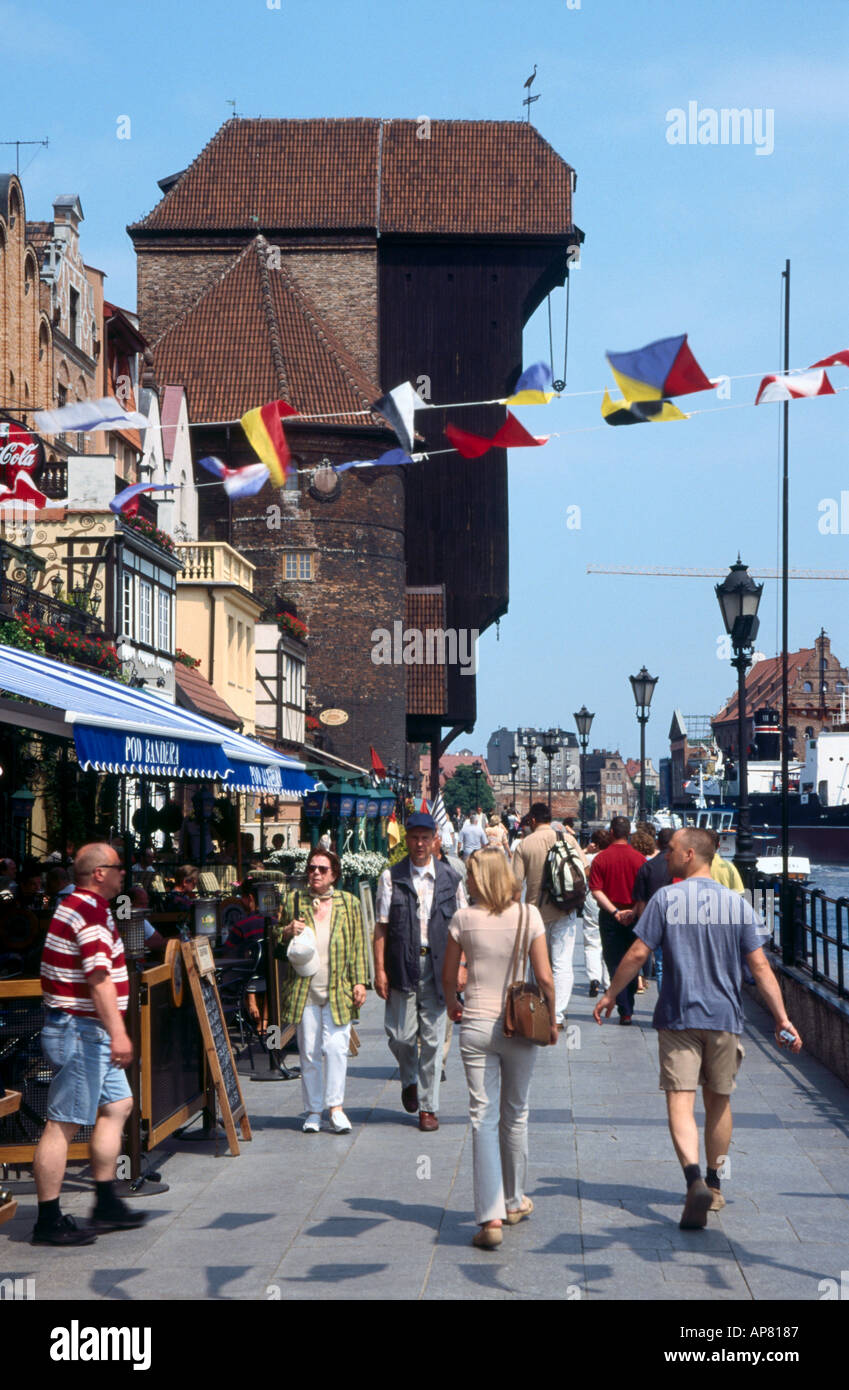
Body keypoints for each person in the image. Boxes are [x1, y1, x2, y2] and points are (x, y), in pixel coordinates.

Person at [594, 827, 802, 1229]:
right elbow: (760, 967)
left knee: (680, 1102)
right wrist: (781, 1018)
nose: (665, 854)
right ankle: (714, 1182)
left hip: (678, 1016)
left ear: (691, 855)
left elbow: (638, 952)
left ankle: (692, 1181)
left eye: (672, 850)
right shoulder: (736, 905)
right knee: (719, 1101)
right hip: (725, 1018)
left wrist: (610, 994)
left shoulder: (665, 900)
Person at [32, 843, 146, 1246]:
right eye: (118, 869)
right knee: (63, 1122)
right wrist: (118, 1032)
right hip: (82, 1029)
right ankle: (48, 1220)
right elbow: (98, 977)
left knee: (118, 1105)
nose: (122, 876)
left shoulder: (73, 905)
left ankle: (105, 1200)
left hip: (83, 1028)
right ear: (99, 873)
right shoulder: (92, 910)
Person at [443, 846, 557, 1248]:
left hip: (475, 1023)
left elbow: (447, 978)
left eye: (471, 874)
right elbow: (544, 977)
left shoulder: (463, 919)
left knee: (482, 1117)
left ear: (482, 878)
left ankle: (489, 1219)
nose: (467, 881)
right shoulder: (529, 916)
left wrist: (453, 1006)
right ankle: (513, 1200)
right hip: (520, 1027)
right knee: (516, 1113)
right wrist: (553, 1019)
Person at [373, 811, 466, 1132]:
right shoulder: (391, 877)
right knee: (399, 1035)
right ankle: (409, 1078)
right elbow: (381, 929)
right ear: (407, 839)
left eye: (426, 838)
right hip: (402, 963)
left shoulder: (450, 878)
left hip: (441, 966)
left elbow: (462, 927)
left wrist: (463, 966)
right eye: (414, 837)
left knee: (433, 1038)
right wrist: (379, 970)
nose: (419, 843)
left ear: (435, 839)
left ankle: (428, 1107)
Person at [276, 847, 368, 1134]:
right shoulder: (294, 900)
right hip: (306, 988)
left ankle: (336, 1108)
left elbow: (358, 943)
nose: (315, 873)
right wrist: (286, 931)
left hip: (338, 988)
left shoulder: (349, 903)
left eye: (322, 869)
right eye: (312, 868)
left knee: (337, 1048)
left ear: (334, 875)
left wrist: (360, 981)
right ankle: (314, 1110)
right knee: (309, 1052)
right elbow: (277, 945)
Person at [512, 802, 584, 1028]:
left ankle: (541, 1009)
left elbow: (515, 887)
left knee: (537, 963)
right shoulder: (567, 839)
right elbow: (584, 869)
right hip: (565, 910)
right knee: (562, 963)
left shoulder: (524, 845)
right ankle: (559, 1014)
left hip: (535, 913)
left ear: (532, 820)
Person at [588, 816, 646, 1025]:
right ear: (629, 833)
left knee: (613, 961)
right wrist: (633, 911)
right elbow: (644, 893)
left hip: (610, 915)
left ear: (611, 833)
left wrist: (614, 912)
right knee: (631, 960)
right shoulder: (639, 859)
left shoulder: (600, 859)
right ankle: (627, 1005)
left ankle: (624, 1005)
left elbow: (596, 890)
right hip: (635, 914)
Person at [224, 879, 269, 1032]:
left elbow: (228, 953)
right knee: (268, 967)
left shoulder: (242, 925)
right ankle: (266, 1022)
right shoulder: (274, 922)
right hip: (271, 981)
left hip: (248, 980)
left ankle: (250, 1001)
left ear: (249, 898)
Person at [632, 826, 674, 990]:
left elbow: (641, 900)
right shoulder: (682, 866)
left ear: (657, 842)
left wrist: (643, 927)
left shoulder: (647, 867)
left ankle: (664, 1003)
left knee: (661, 965)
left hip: (656, 919)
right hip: (680, 919)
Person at [582, 830, 611, 997]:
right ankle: (608, 982)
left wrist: (586, 851)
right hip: (610, 898)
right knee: (608, 940)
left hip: (592, 899)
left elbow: (581, 868)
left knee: (592, 941)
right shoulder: (611, 857)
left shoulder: (589, 859)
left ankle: (594, 978)